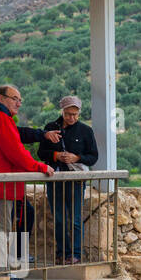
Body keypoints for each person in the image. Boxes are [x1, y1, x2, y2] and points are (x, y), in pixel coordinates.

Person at [0, 85, 53, 280]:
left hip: (0, 186)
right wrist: (39, 166)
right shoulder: (0, 119)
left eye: (20, 100)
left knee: (0, 230)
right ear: (1, 99)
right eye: (14, 98)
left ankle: (0, 272)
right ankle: (0, 276)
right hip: (0, 187)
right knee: (0, 231)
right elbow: (15, 150)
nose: (18, 103)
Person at [38, 95, 100, 264]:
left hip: (76, 181)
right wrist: (56, 155)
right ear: (63, 111)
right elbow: (40, 153)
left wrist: (76, 158)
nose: (72, 118)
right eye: (68, 114)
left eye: (75, 114)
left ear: (79, 113)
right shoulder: (51, 128)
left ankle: (76, 254)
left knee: (75, 219)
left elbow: (93, 156)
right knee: (59, 219)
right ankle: (61, 253)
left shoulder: (86, 131)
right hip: (55, 179)